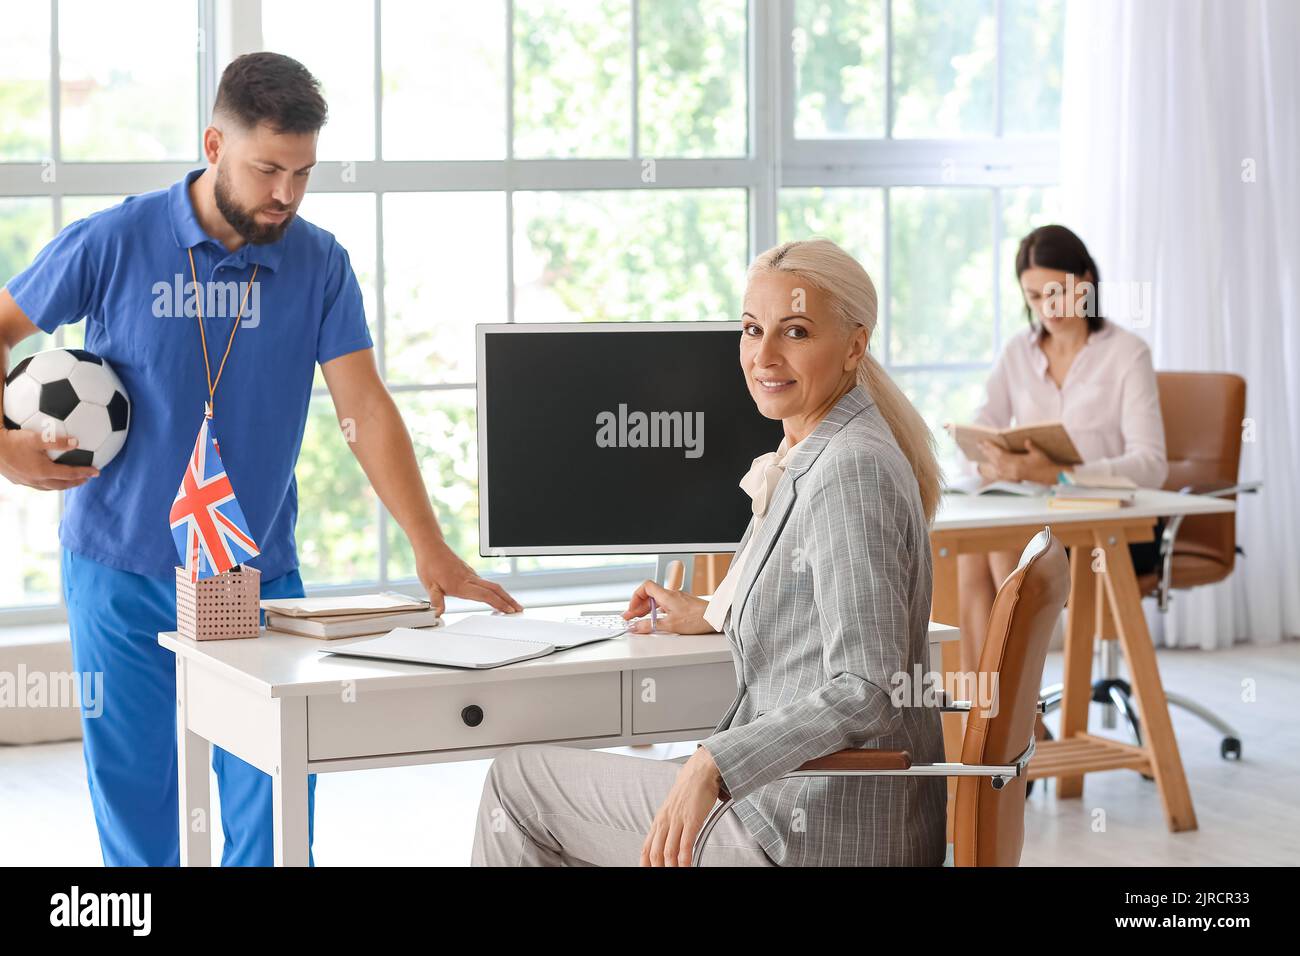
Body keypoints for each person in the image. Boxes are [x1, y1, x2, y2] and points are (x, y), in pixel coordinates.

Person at [0, 53, 520, 867]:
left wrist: (430, 544)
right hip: (119, 567)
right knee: (139, 808)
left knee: (275, 806)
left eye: (303, 173)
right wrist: (3, 449)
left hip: (253, 574)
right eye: (268, 168)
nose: (286, 194)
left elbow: (364, 407)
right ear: (214, 143)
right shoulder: (112, 241)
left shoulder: (317, 262)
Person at [470, 238, 947, 867]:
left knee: (517, 786)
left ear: (855, 345)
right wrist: (715, 611)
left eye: (796, 332)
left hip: (813, 833)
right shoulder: (824, 446)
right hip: (819, 814)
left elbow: (870, 687)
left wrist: (715, 762)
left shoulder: (849, 469)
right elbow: (814, 602)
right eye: (752, 330)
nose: (764, 356)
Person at [955, 223, 1167, 681]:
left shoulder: (1127, 354)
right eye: (1033, 297)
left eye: (1057, 291)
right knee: (968, 549)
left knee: (999, 545)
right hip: (1037, 524)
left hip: (1111, 531)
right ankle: (985, 722)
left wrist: (1058, 474)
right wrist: (993, 460)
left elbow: (1151, 465)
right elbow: (977, 435)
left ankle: (1011, 724)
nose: (1046, 307)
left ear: (1086, 281)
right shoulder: (1018, 352)